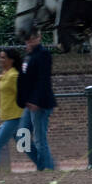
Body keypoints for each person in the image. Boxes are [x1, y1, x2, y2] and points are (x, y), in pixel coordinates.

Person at [16, 30, 56, 170]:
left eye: (32, 39)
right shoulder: (29, 55)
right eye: (27, 39)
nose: (29, 41)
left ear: (39, 37)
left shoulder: (43, 54)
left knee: (40, 139)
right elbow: (24, 77)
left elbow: (43, 80)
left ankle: (48, 170)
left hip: (39, 103)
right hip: (30, 103)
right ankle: (44, 165)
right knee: (22, 136)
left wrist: (36, 100)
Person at [0, 47, 22, 172]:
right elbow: (4, 93)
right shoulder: (6, 75)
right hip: (9, 116)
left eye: (3, 57)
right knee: (26, 147)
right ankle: (45, 165)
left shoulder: (13, 76)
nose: (0, 60)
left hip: (14, 117)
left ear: (11, 60)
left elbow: (23, 94)